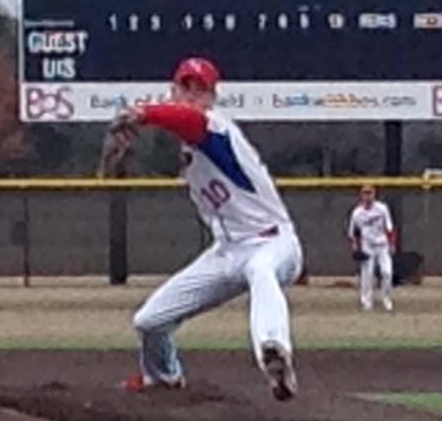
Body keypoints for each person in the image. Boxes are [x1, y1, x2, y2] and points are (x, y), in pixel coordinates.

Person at [106, 58, 303, 400]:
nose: (192, 95)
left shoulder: (214, 127)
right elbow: (122, 172)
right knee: (149, 321)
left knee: (260, 270)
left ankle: (274, 351)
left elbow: (187, 119)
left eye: (201, 90)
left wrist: (143, 113)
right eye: (185, 87)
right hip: (227, 251)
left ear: (212, 98)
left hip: (273, 242)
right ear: (173, 89)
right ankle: (163, 377)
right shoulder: (184, 146)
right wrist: (122, 157)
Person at [347, 182, 398, 312]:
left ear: (374, 194)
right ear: (361, 196)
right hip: (367, 246)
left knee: (387, 272)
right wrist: (356, 247)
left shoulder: (382, 209)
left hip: (382, 245)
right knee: (367, 275)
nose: (368, 196)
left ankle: (386, 300)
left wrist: (392, 244)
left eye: (370, 193)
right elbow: (354, 233)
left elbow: (389, 228)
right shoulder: (357, 213)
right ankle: (366, 302)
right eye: (365, 193)